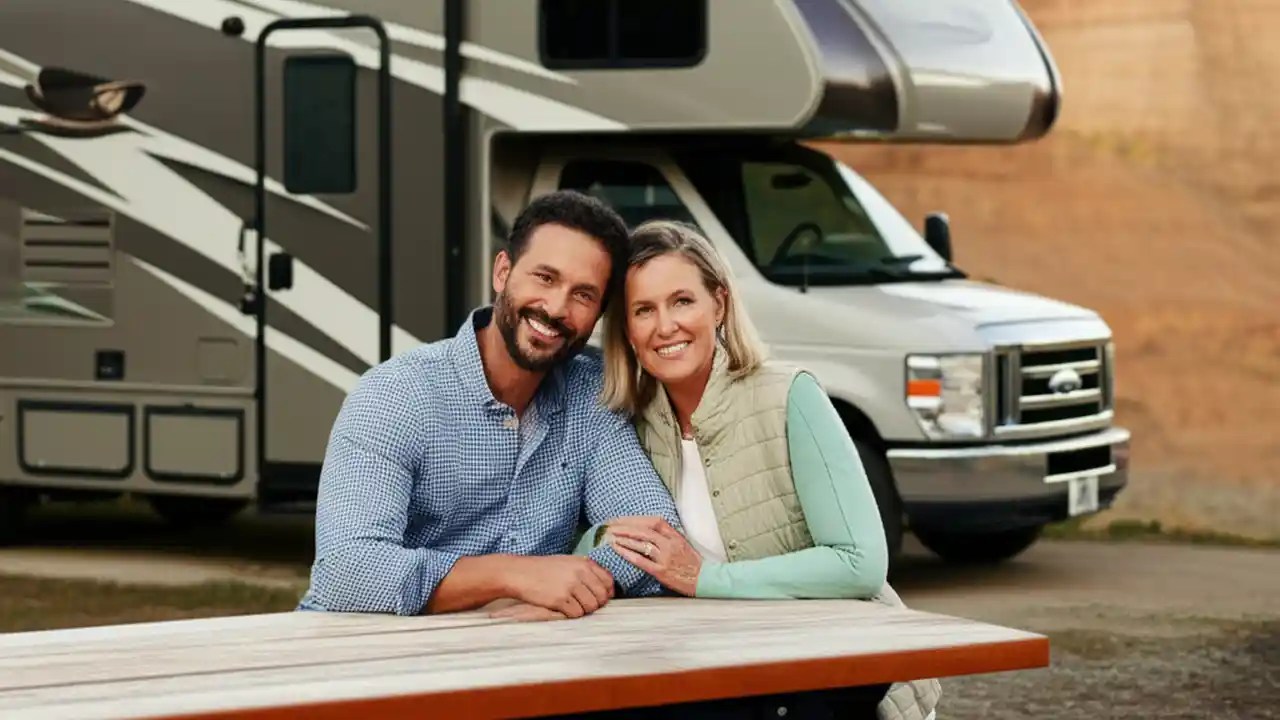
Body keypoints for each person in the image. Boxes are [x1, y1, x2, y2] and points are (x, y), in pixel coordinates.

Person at [586, 219, 943, 719]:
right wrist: (601, 540)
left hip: (843, 678)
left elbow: (860, 563)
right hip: (732, 675)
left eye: (682, 301)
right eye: (644, 310)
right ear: (627, 330)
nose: (665, 326)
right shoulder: (631, 423)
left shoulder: (789, 395)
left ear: (719, 304)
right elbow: (603, 546)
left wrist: (705, 579)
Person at [295, 191, 681, 619]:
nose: (556, 308)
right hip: (360, 648)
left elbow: (656, 538)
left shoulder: (591, 397)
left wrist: (573, 589)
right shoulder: (396, 395)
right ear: (503, 272)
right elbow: (345, 573)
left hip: (512, 647)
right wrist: (513, 577)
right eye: (545, 278)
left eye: (583, 295)